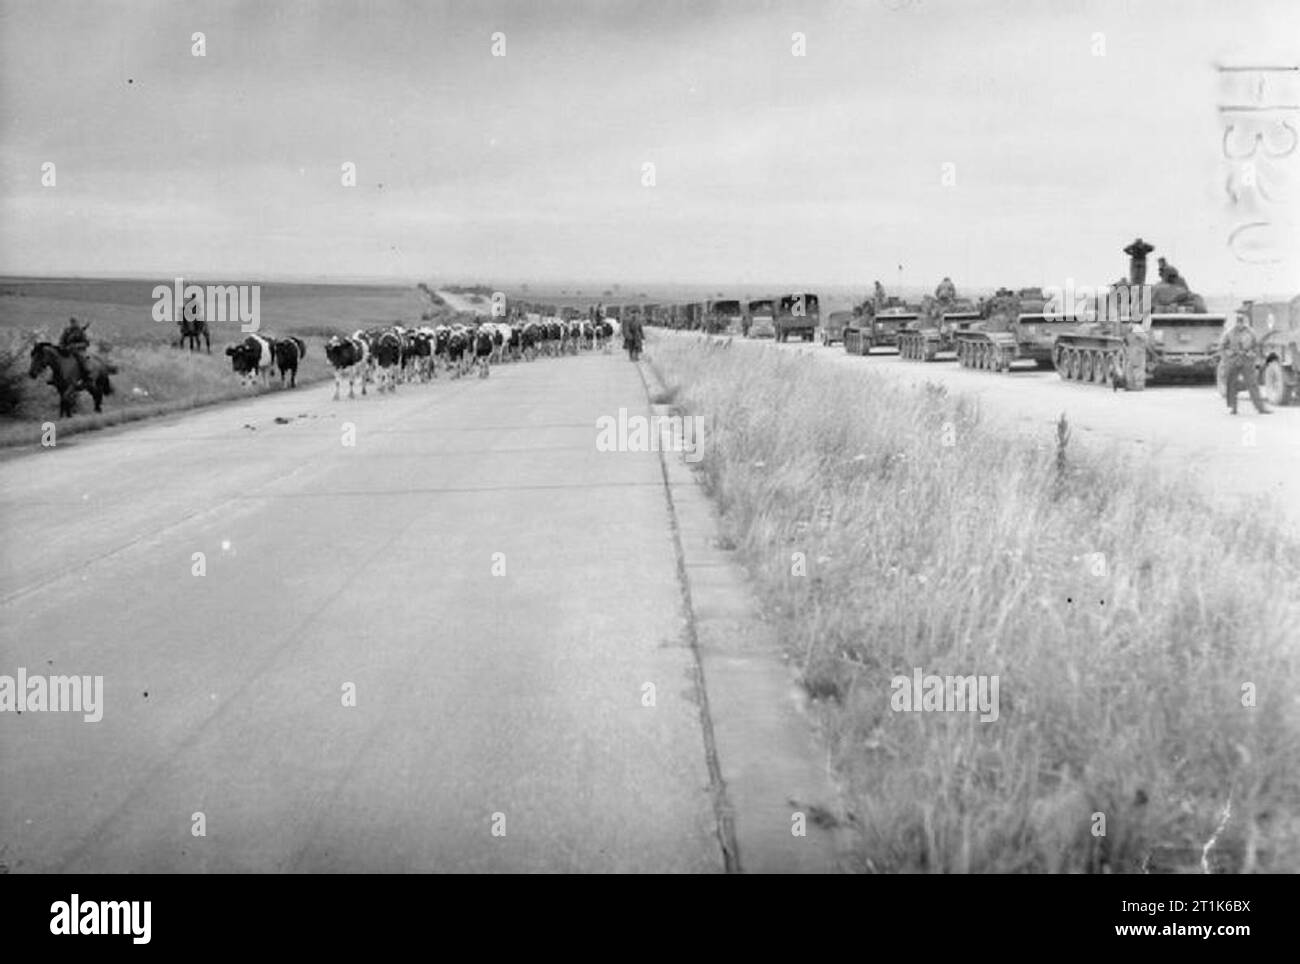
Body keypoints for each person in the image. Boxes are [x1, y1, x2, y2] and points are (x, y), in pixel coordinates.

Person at [1219, 313, 1270, 415]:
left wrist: (1253, 353)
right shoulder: (1229, 332)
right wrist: (1229, 355)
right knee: (1231, 384)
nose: (1240, 324)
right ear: (1235, 322)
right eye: (1238, 321)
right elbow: (1222, 347)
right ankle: (1233, 408)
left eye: (1242, 321)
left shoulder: (1251, 332)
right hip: (1233, 360)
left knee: (1253, 385)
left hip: (1247, 361)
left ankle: (1260, 408)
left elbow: (1256, 346)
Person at [58, 317, 92, 386]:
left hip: (79, 351)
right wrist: (62, 346)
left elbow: (86, 343)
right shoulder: (67, 331)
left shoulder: (80, 331)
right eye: (72, 322)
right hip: (67, 350)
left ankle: (85, 378)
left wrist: (75, 346)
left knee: (82, 361)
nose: (73, 324)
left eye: (74, 322)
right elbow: (61, 341)